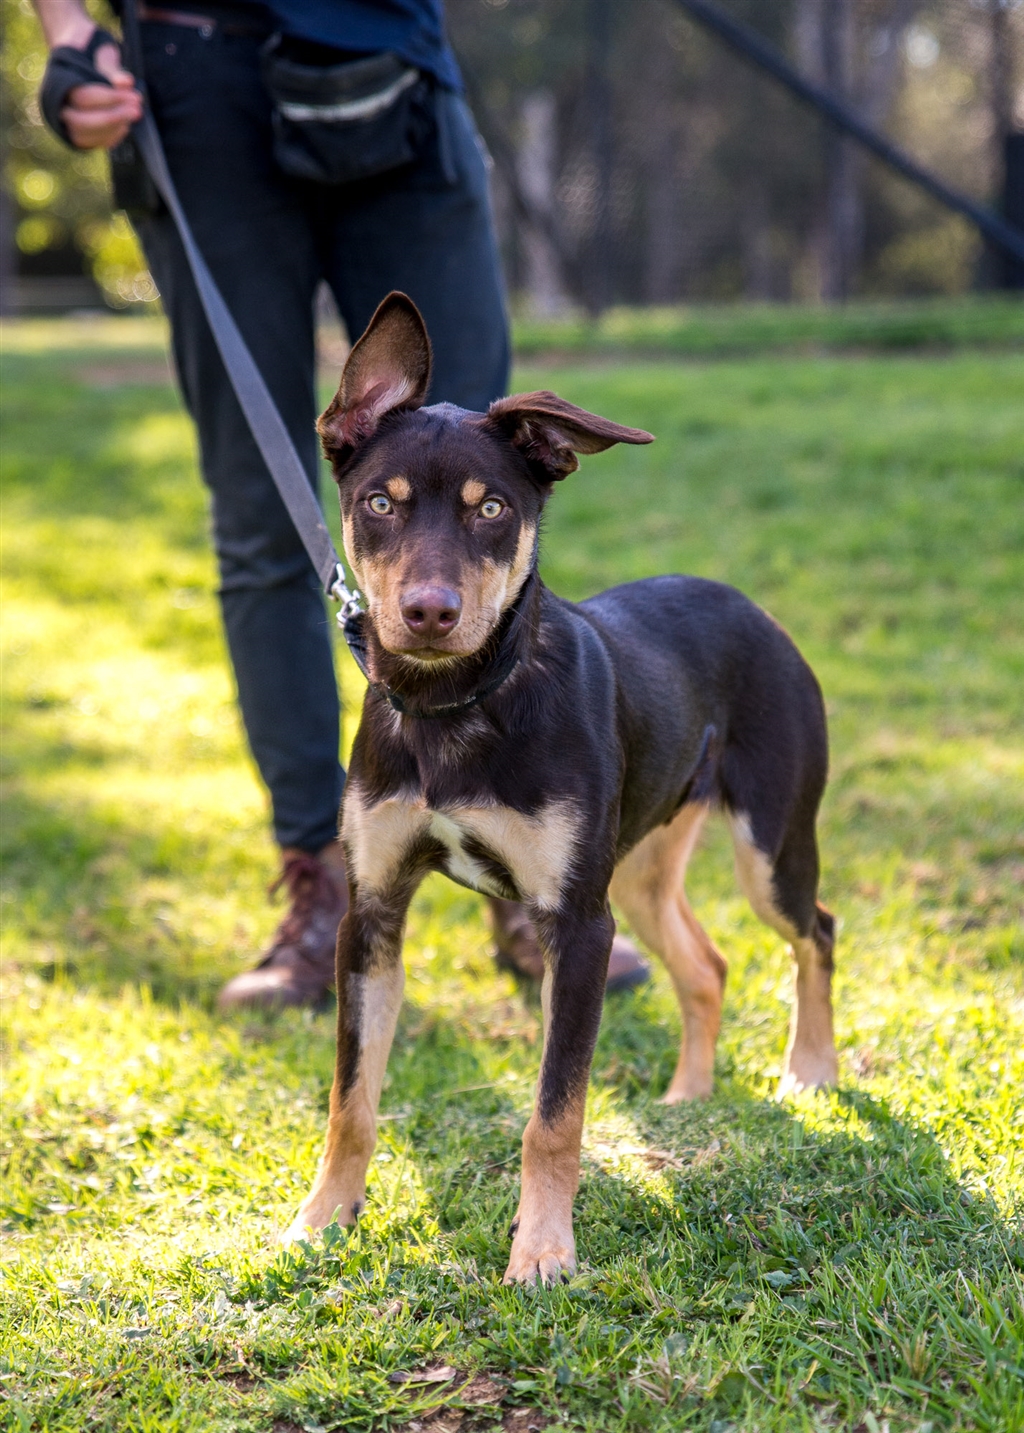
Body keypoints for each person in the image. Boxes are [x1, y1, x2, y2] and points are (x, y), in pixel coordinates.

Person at [33, 0, 650, 1007]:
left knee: (478, 475)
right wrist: (68, 31)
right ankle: (324, 873)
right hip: (190, 72)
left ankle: (525, 866)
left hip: (386, 58)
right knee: (261, 515)